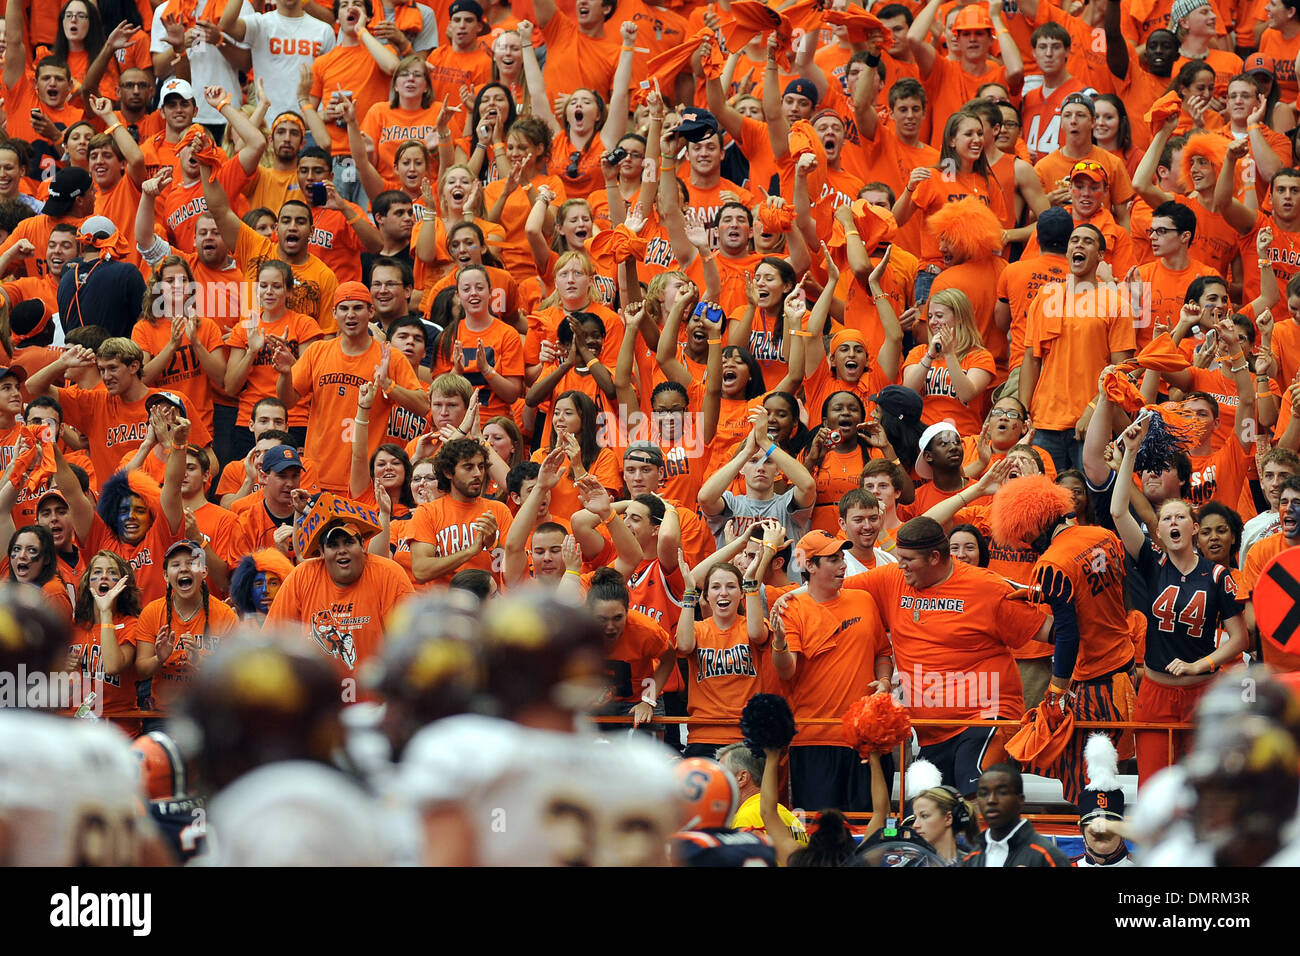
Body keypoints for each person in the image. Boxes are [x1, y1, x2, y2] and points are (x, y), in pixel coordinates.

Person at [1111, 417, 1249, 783]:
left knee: (1205, 790)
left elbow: (1239, 639)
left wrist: (1201, 664)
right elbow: (1117, 511)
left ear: (1193, 527)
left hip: (1202, 693)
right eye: (1166, 518)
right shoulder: (1152, 563)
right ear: (1159, 530)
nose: (1172, 522)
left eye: (1179, 517)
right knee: (1153, 787)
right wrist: (1130, 454)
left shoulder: (1219, 576)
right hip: (1155, 694)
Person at [770, 530, 893, 812]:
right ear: (810, 566)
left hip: (866, 737)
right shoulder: (793, 608)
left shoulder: (864, 599)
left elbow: (883, 653)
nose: (843, 565)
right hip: (815, 738)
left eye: (842, 558)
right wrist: (778, 642)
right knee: (818, 832)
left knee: (871, 828)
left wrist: (884, 680)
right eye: (833, 559)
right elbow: (787, 671)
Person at [273, 282, 429, 494]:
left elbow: (423, 406)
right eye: (344, 309)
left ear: (371, 311)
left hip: (364, 479)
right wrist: (285, 373)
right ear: (334, 313)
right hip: (318, 475)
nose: (351, 315)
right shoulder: (317, 351)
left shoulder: (389, 358)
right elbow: (287, 401)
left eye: (357, 308)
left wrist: (388, 385)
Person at [265, 507, 414, 684]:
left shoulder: (390, 574)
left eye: (348, 542)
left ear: (363, 547)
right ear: (321, 552)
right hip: (320, 703)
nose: (342, 550)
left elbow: (410, 646)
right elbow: (272, 640)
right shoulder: (302, 576)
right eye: (333, 545)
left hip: (375, 702)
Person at [134, 539, 238, 716]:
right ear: (166, 575)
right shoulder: (152, 612)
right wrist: (159, 659)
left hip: (208, 715)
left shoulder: (225, 615)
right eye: (175, 565)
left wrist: (199, 661)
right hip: (163, 714)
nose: (183, 569)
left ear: (204, 571)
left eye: (191, 563)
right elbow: (141, 672)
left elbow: (233, 678)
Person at [962, 764, 1069, 866]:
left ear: (1020, 800)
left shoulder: (1048, 856)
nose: (991, 800)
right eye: (984, 794)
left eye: (1002, 792)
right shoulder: (971, 860)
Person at [903, 758, 980, 866]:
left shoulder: (981, 862)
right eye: (915, 818)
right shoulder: (910, 864)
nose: (915, 825)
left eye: (924, 816)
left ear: (948, 818)